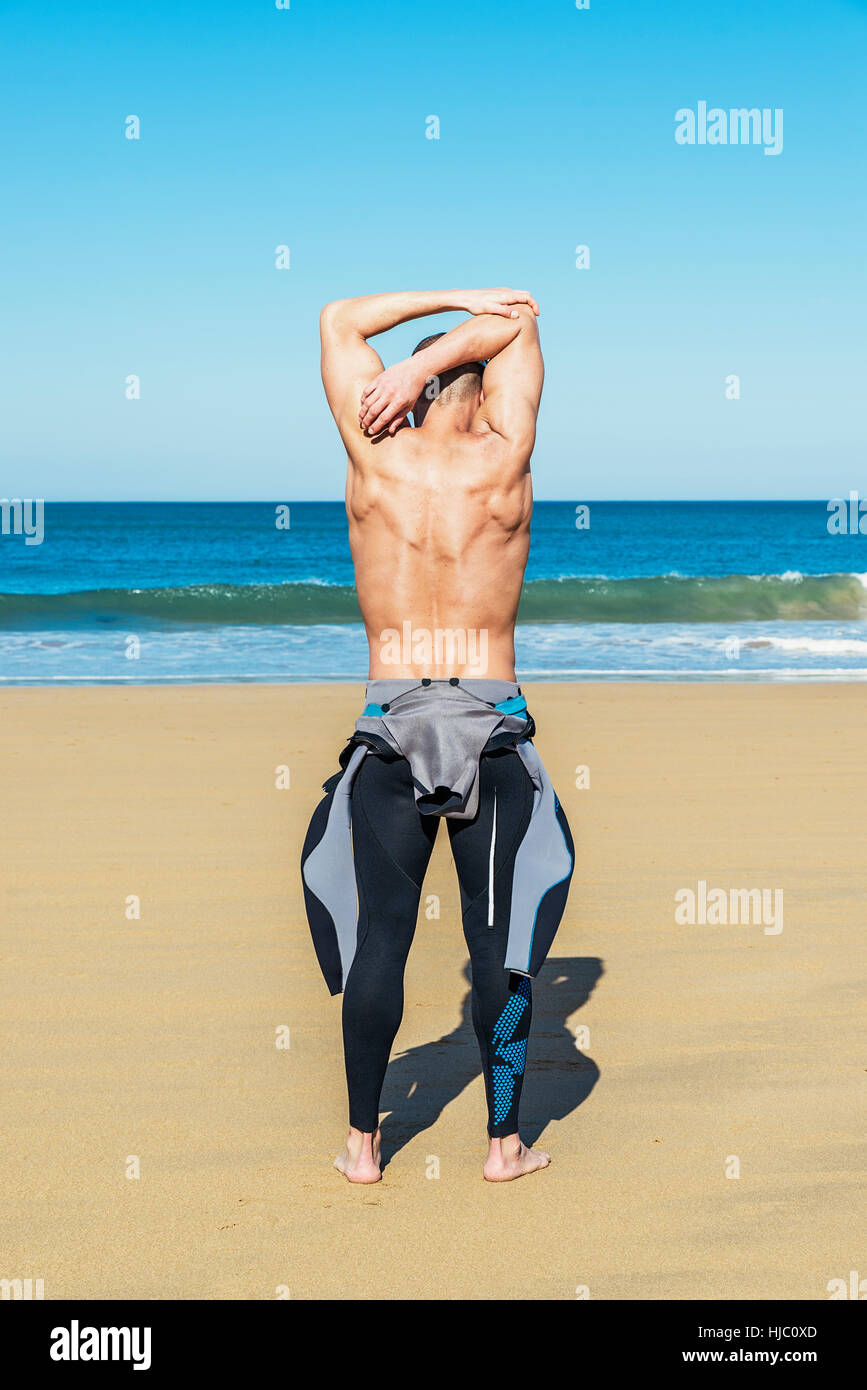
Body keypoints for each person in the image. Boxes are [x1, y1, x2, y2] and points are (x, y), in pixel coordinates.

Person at [301, 288, 574, 1182]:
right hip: (489, 724)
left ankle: (362, 1146)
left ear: (415, 392)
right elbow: (523, 321)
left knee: (383, 939)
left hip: (389, 721)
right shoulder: (505, 456)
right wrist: (447, 346)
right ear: (486, 392)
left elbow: (339, 318)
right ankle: (503, 1149)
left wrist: (432, 328)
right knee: (497, 946)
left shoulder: (376, 452)